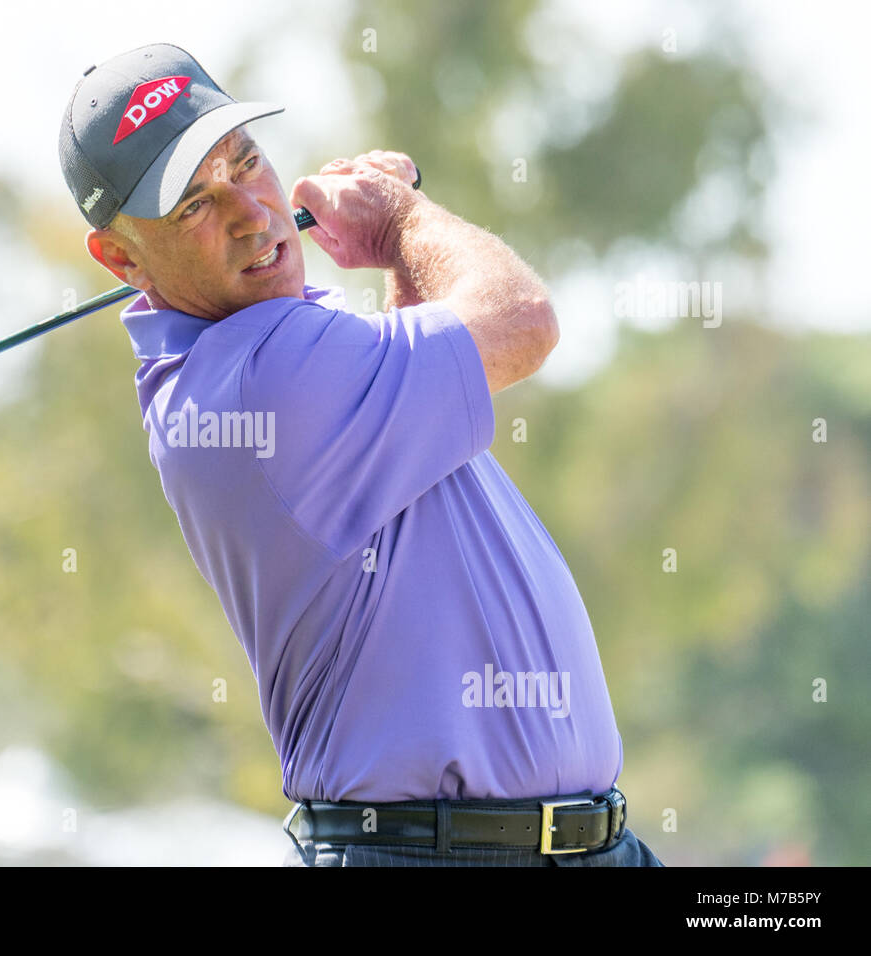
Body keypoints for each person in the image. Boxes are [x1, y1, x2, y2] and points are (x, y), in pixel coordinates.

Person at [57, 41, 664, 867]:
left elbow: (422, 431)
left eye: (246, 161)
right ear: (122, 259)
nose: (251, 212)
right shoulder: (262, 371)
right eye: (194, 204)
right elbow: (522, 323)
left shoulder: (258, 360)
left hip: (562, 845)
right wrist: (400, 219)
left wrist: (397, 257)